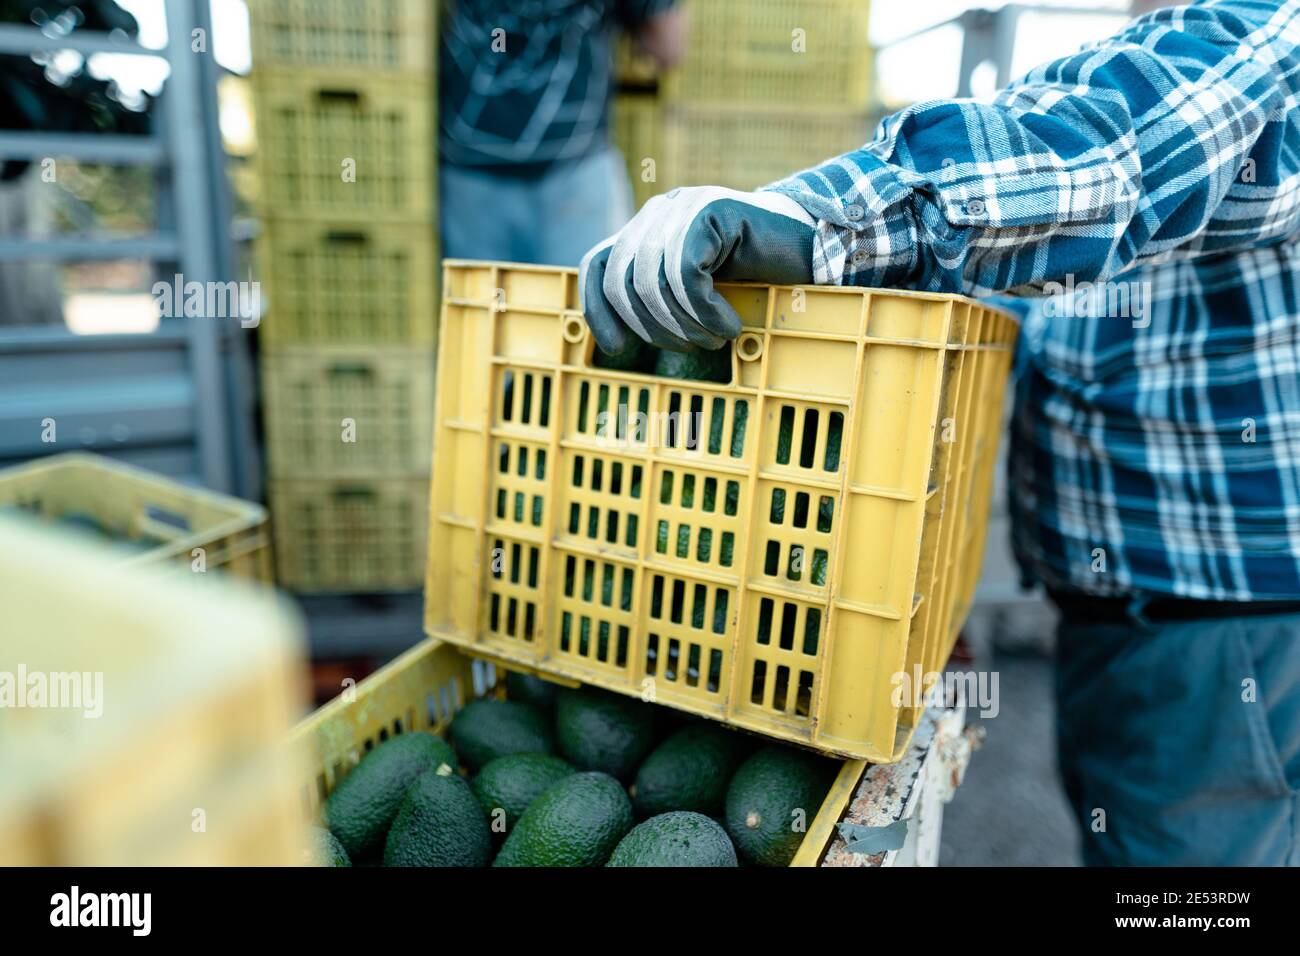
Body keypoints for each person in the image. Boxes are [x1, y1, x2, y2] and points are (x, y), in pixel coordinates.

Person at [579, 0, 1300, 866]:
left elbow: (1113, 148)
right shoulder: (1153, 38)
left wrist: (819, 222)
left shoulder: (1265, 29)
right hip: (1144, 610)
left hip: (1219, 628)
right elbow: (1052, 255)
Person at [438, 0, 683, 266]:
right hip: (575, 169)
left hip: (471, 169)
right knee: (587, 299)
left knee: (479, 303)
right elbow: (668, 46)